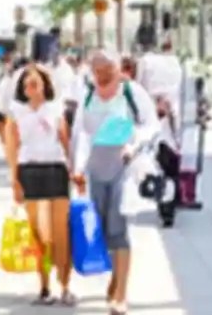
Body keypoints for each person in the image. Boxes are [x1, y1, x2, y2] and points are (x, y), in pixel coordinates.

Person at [70, 50, 160, 315]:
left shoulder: (132, 92)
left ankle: (121, 293)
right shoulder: (87, 94)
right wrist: (77, 168)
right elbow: (81, 134)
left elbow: (152, 125)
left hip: (123, 167)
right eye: (97, 70)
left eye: (107, 69)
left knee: (118, 230)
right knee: (101, 230)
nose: (102, 75)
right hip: (95, 169)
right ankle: (114, 281)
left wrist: (134, 143)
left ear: (118, 68)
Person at [5, 63, 76, 305]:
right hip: (30, 171)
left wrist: (75, 171)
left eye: (34, 83)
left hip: (56, 169)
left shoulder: (56, 109)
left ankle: (65, 285)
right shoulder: (16, 112)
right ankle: (44, 285)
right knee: (38, 234)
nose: (30, 88)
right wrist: (14, 180)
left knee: (61, 232)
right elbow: (12, 147)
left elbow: (66, 141)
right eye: (25, 85)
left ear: (45, 85)